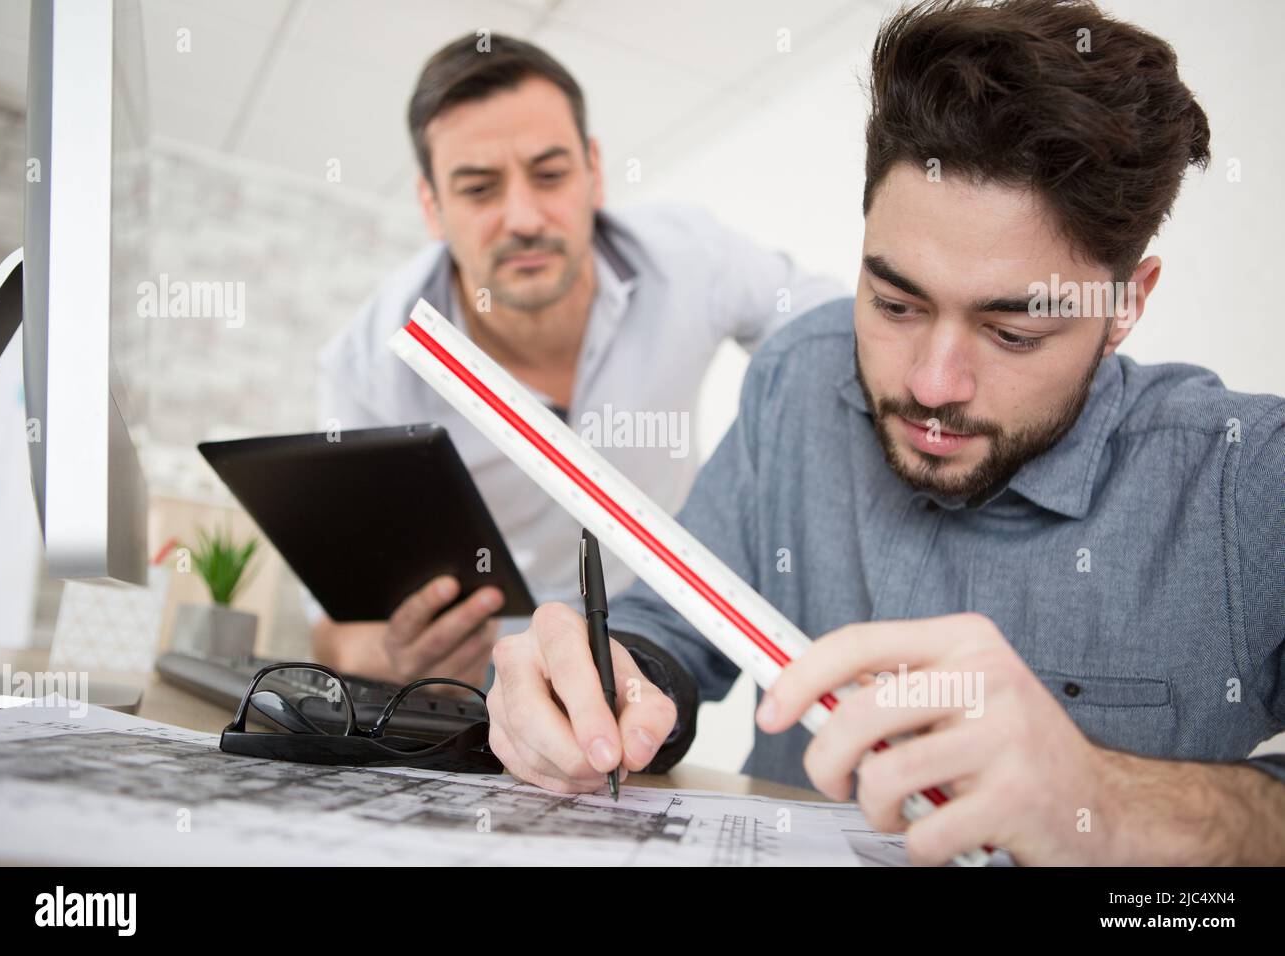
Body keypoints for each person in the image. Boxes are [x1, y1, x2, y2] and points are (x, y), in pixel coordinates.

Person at [482, 0, 1285, 865]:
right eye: (895, 304)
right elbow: (673, 629)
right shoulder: (800, 376)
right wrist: (601, 684)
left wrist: (1114, 798)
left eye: (1013, 332)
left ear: (1127, 303)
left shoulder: (1249, 481)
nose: (930, 386)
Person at [308, 34, 844, 686]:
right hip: (482, 697)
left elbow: (838, 335)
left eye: (551, 174)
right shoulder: (369, 368)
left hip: (656, 660)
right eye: (479, 189)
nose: (524, 217)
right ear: (432, 207)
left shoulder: (693, 256)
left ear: (594, 170)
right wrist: (386, 654)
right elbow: (336, 626)